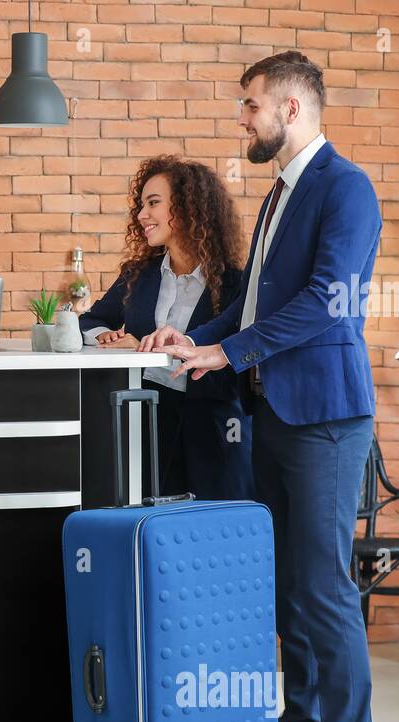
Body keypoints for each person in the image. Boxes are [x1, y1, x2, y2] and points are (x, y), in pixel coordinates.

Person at [147, 51, 382, 722]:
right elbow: (250, 303)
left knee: (322, 585)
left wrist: (229, 350)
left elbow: (326, 303)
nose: (241, 118)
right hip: (272, 410)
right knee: (287, 584)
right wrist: (195, 339)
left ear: (290, 109)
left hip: (324, 416)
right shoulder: (281, 192)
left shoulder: (346, 188)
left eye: (250, 105)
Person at [80, 156, 253, 501]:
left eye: (154, 203)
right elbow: (90, 320)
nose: (142, 214)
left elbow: (239, 361)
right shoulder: (138, 275)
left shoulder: (236, 283)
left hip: (213, 434)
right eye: (141, 205)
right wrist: (109, 338)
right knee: (150, 533)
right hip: (146, 427)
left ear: (191, 207)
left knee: (208, 540)